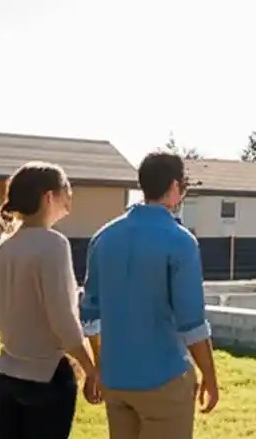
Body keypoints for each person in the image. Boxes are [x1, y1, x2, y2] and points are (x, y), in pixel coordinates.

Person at [80, 151, 219, 438]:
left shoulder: (103, 238)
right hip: (163, 378)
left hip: (116, 379)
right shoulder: (181, 242)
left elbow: (90, 314)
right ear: (174, 187)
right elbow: (191, 322)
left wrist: (101, 363)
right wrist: (210, 375)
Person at [0, 161, 102, 439]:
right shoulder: (53, 244)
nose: (70, 199)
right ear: (48, 196)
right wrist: (91, 368)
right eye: (67, 192)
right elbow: (63, 318)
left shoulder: (5, 245)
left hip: (5, 373)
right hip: (44, 379)